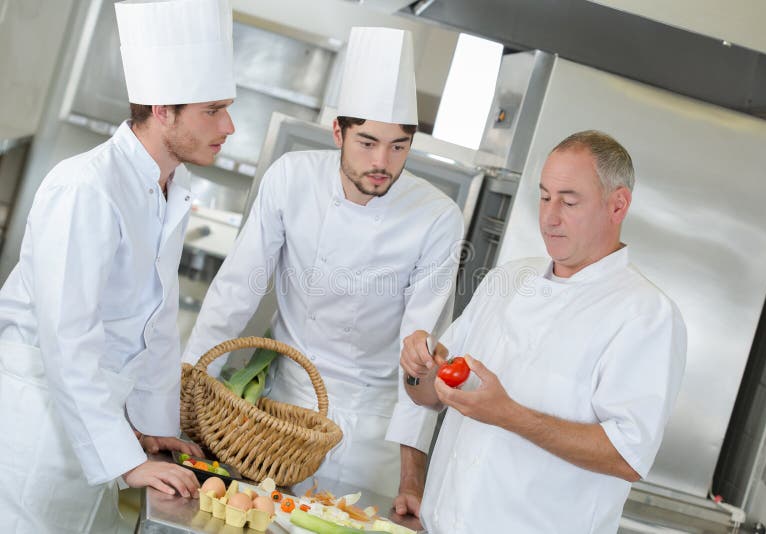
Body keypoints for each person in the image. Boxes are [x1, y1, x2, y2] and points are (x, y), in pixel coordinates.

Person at [182, 27, 463, 514]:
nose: (382, 162)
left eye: (399, 146)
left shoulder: (437, 216)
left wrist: (412, 479)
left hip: (375, 434)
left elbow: (421, 353)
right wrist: (183, 403)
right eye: (368, 142)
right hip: (277, 421)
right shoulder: (292, 178)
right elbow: (234, 294)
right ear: (338, 132)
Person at [0, 1, 236, 532]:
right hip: (39, 424)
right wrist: (126, 460)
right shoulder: (87, 185)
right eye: (212, 109)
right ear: (161, 109)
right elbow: (68, 334)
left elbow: (155, 325)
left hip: (99, 425)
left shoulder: (169, 188)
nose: (229, 125)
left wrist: (149, 430)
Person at [401, 130, 687, 533]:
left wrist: (509, 415)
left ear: (617, 204)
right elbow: (430, 396)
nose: (550, 216)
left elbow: (627, 456)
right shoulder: (508, 278)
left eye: (569, 201)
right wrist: (418, 367)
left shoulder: (646, 315)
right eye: (544, 196)